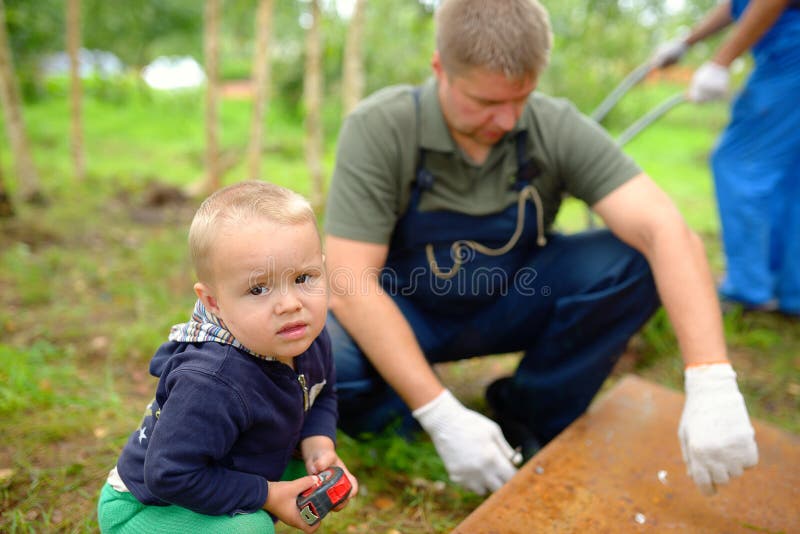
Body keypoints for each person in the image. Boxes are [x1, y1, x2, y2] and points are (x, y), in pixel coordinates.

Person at [324, 0, 758, 497]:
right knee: (324, 357)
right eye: (487, 103)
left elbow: (666, 231)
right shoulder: (381, 127)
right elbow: (350, 284)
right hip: (407, 312)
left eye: (521, 98)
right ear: (441, 69)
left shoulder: (552, 125)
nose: (508, 120)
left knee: (635, 260)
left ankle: (528, 415)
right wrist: (441, 414)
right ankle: (412, 420)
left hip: (510, 300)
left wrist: (711, 380)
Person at [97, 181, 357, 533]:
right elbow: (169, 475)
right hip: (150, 507)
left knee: (309, 473)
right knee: (251, 529)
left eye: (303, 277)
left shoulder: (304, 336)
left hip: (220, 473)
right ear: (214, 302)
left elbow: (322, 392)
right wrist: (266, 494)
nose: (291, 304)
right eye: (258, 288)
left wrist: (318, 443)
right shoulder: (210, 381)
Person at [651, 0, 800, 316]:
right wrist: (685, 42)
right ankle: (789, 288)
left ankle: (749, 289)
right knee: (789, 175)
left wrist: (721, 62)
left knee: (738, 163)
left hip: (791, 55)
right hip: (785, 51)